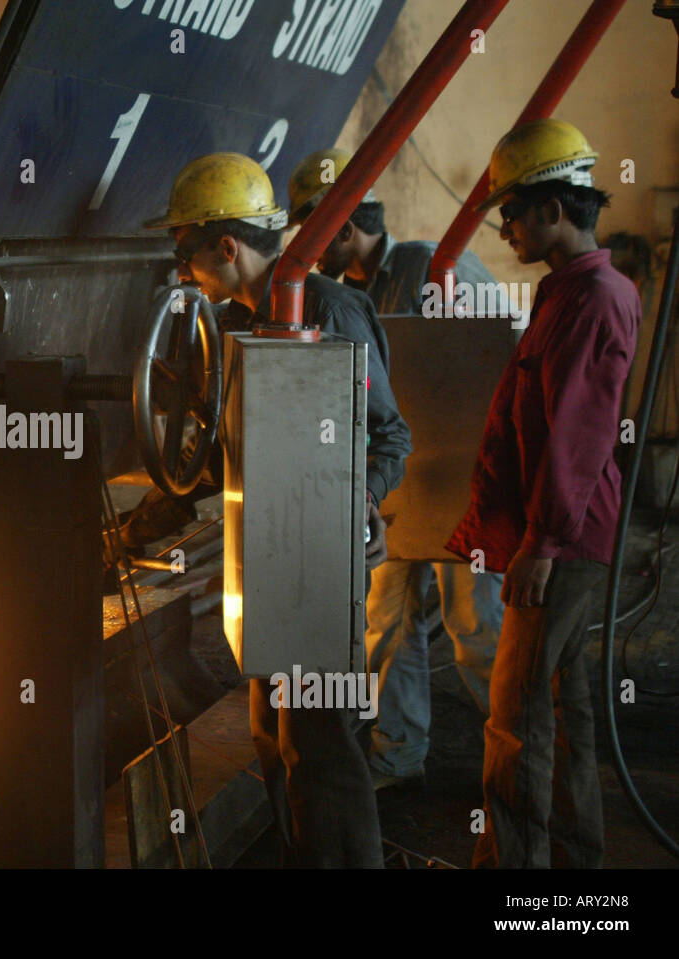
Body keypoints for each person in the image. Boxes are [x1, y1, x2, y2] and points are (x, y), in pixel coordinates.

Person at [140, 151, 412, 866]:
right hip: (263, 561)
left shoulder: (332, 310)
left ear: (226, 247)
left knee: (320, 740)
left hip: (318, 558)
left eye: (187, 253)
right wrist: (153, 515)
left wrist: (362, 502)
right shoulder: (231, 323)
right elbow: (215, 447)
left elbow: (390, 434)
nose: (184, 273)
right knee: (271, 734)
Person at [446, 119, 640, 868]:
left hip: (563, 540)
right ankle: (576, 871)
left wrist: (542, 544)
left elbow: (579, 434)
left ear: (556, 209)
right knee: (568, 707)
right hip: (570, 536)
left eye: (514, 212)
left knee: (515, 715)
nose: (505, 229)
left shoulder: (592, 297)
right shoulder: (572, 292)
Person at [288, 148, 507, 790]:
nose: (307, 253)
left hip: (464, 485)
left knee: (475, 625)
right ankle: (398, 747)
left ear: (342, 227)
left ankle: (518, 753)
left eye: (312, 236)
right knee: (386, 622)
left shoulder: (434, 267)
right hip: (394, 490)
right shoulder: (345, 297)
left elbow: (488, 365)